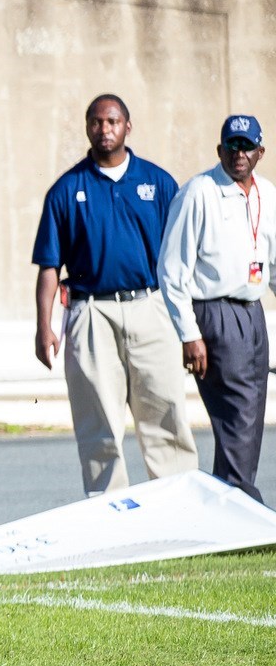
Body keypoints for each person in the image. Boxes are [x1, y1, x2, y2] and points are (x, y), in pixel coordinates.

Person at [32, 94, 198, 496]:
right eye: (96, 122)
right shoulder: (66, 189)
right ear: (87, 126)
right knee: (99, 421)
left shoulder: (158, 183)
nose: (104, 130)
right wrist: (44, 327)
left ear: (128, 126)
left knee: (165, 411)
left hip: (150, 306)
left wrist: (188, 322)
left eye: (112, 121)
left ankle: (178, 506)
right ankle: (107, 512)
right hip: (91, 314)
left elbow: (178, 259)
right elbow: (49, 267)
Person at [158, 114, 276, 503]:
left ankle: (228, 504)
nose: (238, 153)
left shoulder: (267, 194)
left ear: (260, 151)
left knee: (250, 415)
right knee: (237, 414)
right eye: (231, 145)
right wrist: (190, 334)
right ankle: (242, 501)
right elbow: (172, 271)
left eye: (245, 146)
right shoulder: (199, 192)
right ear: (219, 150)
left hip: (252, 312)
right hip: (216, 314)